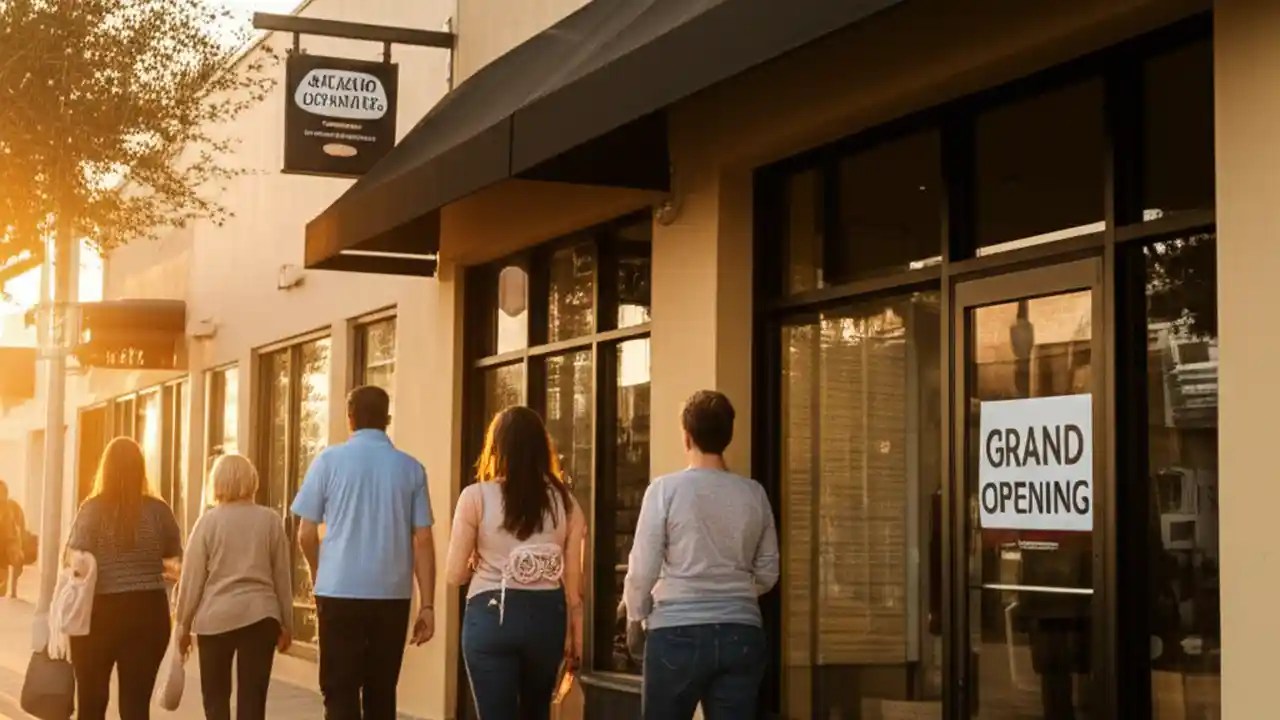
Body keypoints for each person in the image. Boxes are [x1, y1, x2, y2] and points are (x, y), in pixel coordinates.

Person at [625, 390, 780, 720]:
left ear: (687, 436)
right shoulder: (754, 494)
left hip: (676, 632)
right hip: (742, 631)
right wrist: (732, 591)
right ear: (728, 435)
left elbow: (643, 568)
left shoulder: (664, 491)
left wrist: (636, 615)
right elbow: (768, 572)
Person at [291, 386, 436, 720]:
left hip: (338, 591)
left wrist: (318, 573)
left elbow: (306, 533)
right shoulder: (411, 469)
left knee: (339, 691)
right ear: (387, 419)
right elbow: (423, 540)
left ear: (349, 418)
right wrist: (427, 605)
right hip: (391, 596)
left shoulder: (328, 462)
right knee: (381, 691)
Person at [445, 406, 586, 720]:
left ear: (496, 448)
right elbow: (574, 588)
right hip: (546, 618)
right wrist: (576, 637)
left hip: (490, 614)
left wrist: (476, 559)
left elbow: (454, 574)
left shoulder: (475, 497)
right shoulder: (566, 503)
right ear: (541, 448)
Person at [67, 436, 183, 720]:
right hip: (147, 613)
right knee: (135, 707)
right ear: (141, 468)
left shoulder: (91, 510)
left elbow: (72, 557)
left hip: (97, 614)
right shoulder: (159, 511)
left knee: (91, 705)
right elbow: (176, 558)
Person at [175, 454, 293, 720]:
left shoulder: (207, 523)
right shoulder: (270, 521)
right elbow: (282, 577)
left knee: (215, 701)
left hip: (215, 617)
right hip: (261, 616)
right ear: (251, 480)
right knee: (253, 700)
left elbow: (192, 579)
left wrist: (183, 625)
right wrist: (286, 623)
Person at [0, 480, 26, 598]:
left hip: (10, 543)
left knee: (17, 559)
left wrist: (20, 543)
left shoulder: (13, 507)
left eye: (3, 492)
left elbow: (21, 525)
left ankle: (13, 589)